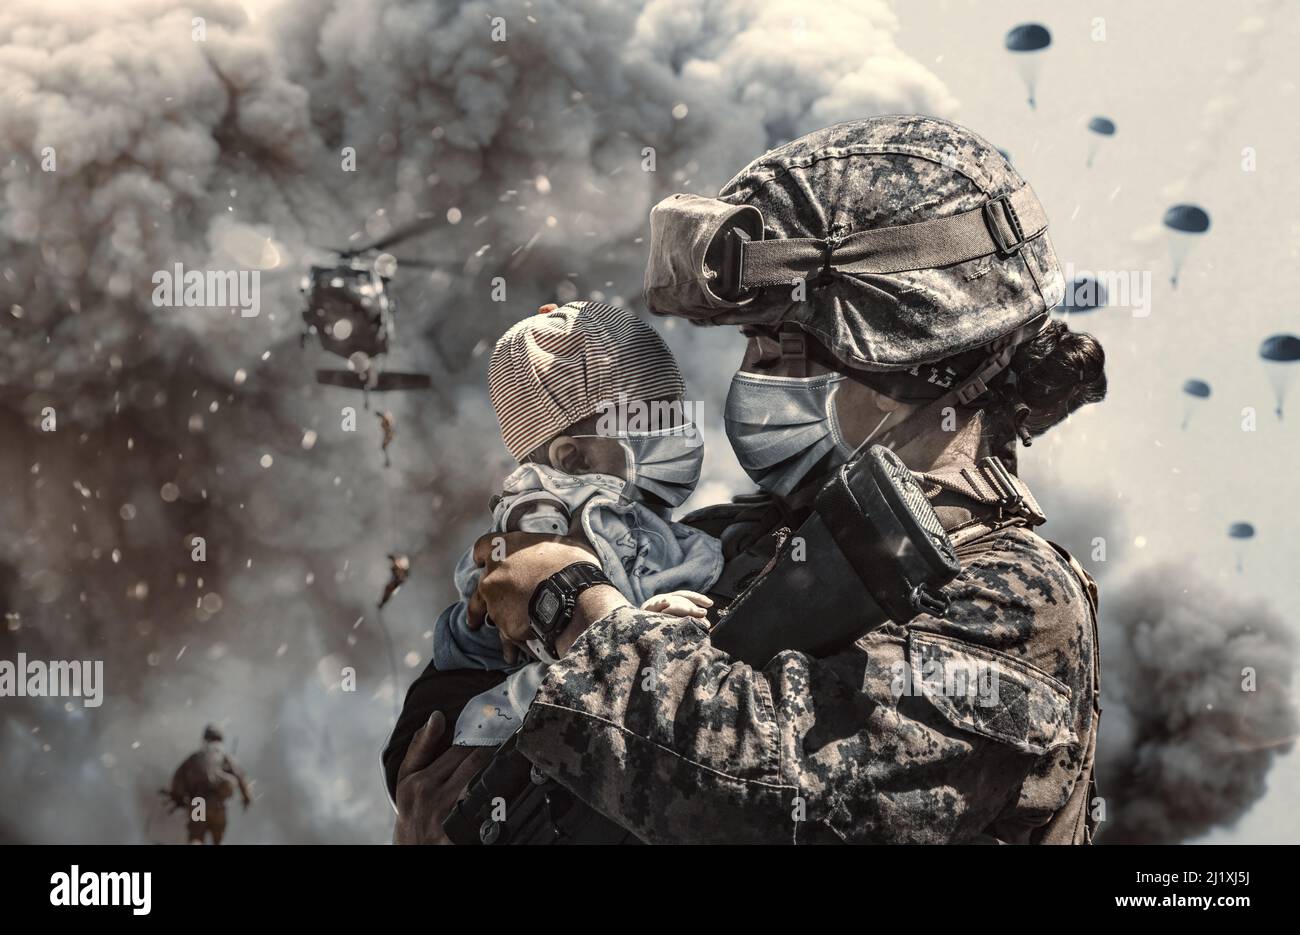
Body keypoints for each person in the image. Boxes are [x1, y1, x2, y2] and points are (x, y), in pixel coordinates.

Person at [394, 115, 1107, 844]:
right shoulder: (728, 545)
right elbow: (443, 730)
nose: (756, 379)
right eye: (754, 345)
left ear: (921, 352)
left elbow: (782, 798)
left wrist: (572, 607)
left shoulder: (1011, 596)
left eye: (785, 345)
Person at [385, 301, 720, 786]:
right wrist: (640, 624)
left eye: (676, 411)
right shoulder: (559, 519)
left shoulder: (640, 515)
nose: (677, 434)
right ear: (574, 459)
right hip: (512, 717)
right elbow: (577, 645)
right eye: (650, 419)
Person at [167, 724, 252, 845]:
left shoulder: (195, 757)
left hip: (198, 802)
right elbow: (239, 775)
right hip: (217, 804)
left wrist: (179, 799)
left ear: (205, 739)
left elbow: (177, 779)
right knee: (218, 840)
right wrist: (246, 798)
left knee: (196, 838)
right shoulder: (224, 755)